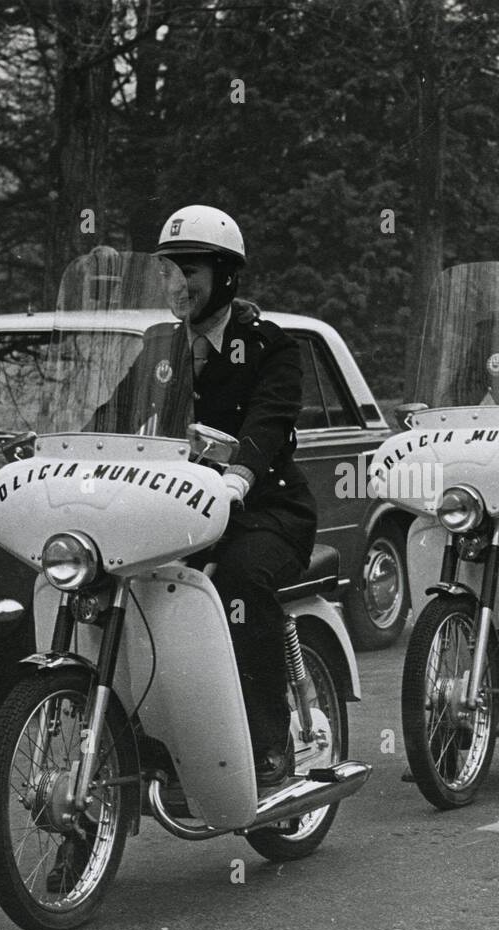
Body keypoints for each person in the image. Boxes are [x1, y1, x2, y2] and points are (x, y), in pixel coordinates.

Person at [151, 205, 320, 778]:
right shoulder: (160, 350)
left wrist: (236, 479)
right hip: (182, 516)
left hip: (267, 513)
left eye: (190, 271)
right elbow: (115, 418)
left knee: (241, 585)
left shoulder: (272, 346)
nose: (178, 286)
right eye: (169, 272)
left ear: (225, 274)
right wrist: (57, 447)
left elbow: (268, 423)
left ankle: (268, 740)